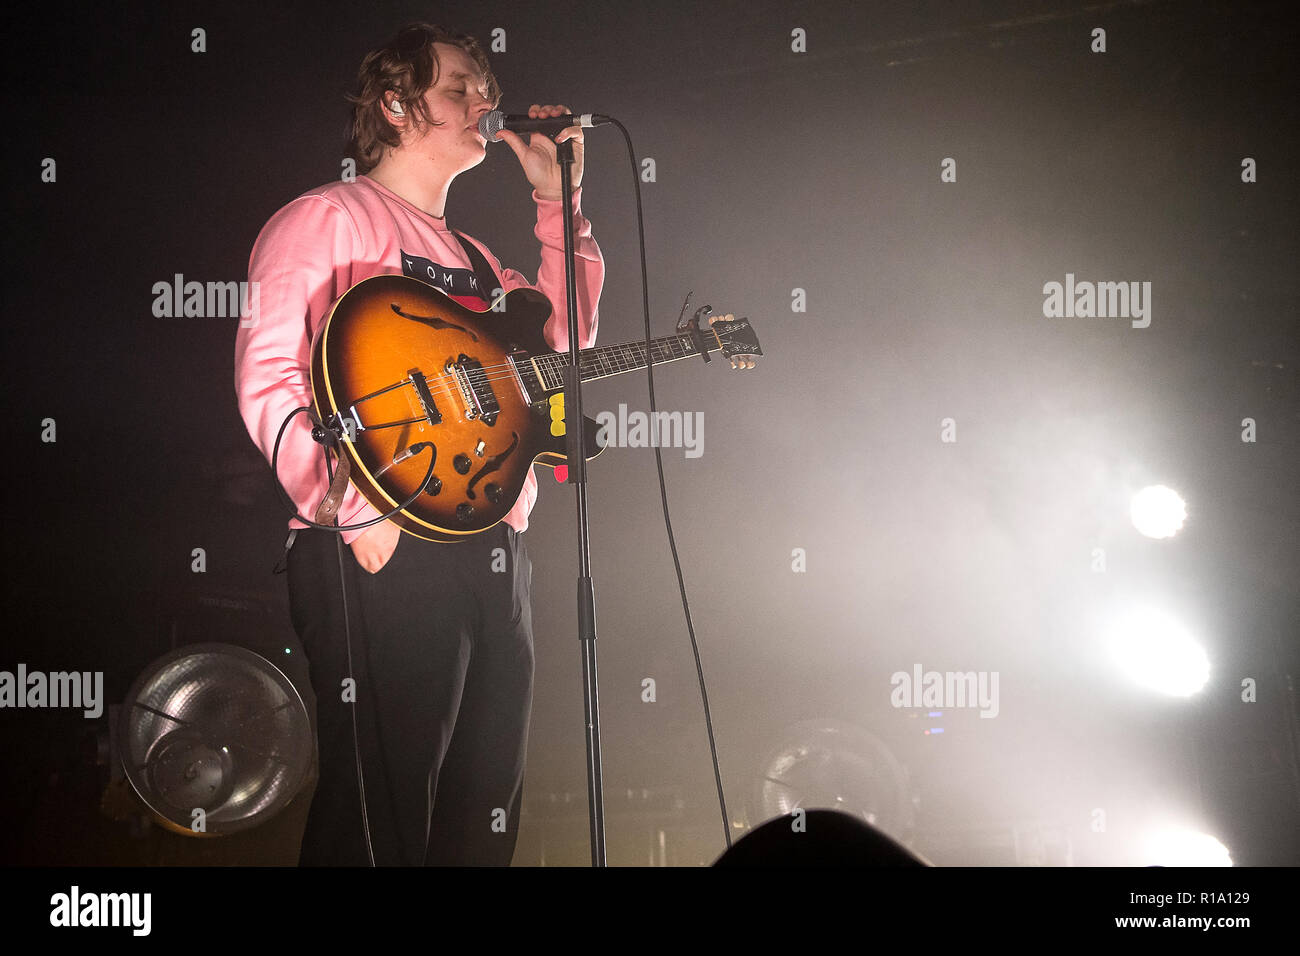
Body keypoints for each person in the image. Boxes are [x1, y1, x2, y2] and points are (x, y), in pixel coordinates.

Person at [233, 21, 603, 865]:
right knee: (383, 817)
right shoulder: (326, 218)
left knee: (482, 815)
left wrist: (559, 204)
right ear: (397, 105)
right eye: (460, 87)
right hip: (378, 538)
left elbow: (562, 349)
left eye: (488, 89)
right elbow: (269, 374)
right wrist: (354, 514)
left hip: (492, 546)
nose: (487, 102)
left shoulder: (477, 258)